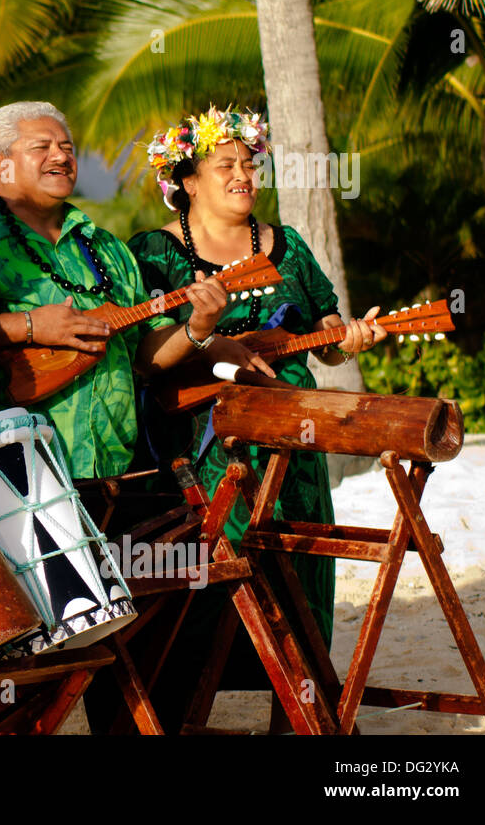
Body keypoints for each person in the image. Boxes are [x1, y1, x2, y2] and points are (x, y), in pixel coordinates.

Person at [126, 106, 386, 730]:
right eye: (226, 164)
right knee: (222, 574)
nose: (244, 173)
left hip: (295, 438)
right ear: (188, 179)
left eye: (249, 162)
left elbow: (322, 332)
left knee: (301, 562)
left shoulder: (287, 245)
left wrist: (344, 336)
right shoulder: (154, 253)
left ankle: (299, 712)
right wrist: (208, 339)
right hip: (201, 449)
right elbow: (145, 355)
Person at [0, 101, 264, 484]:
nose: (61, 156)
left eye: (68, 148)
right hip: (19, 471)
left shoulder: (106, 247)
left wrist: (198, 327)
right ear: (0, 161)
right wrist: (28, 326)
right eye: (43, 147)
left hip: (119, 468)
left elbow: (144, 354)